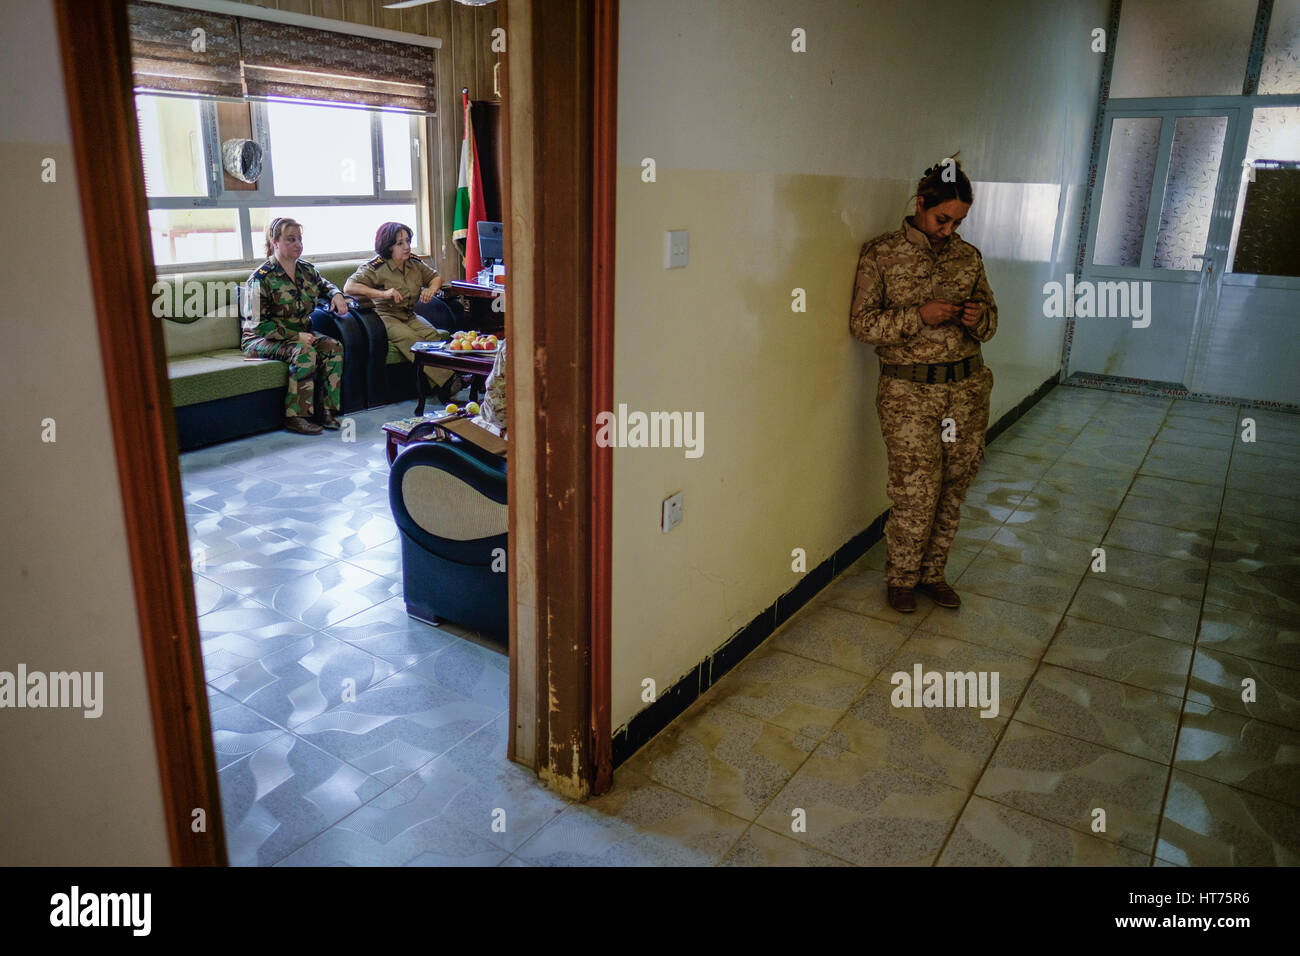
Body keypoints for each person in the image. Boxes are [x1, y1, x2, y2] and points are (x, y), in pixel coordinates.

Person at [849, 156, 997, 613]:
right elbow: (862, 324)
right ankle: (902, 579)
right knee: (915, 490)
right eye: (942, 218)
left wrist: (978, 319)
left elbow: (991, 322)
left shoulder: (968, 258)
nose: (949, 229)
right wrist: (919, 316)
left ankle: (934, 574)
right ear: (920, 204)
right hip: (909, 396)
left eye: (958, 221)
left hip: (966, 391)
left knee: (954, 484)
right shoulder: (881, 254)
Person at [243, 217, 349, 435]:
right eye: (290, 240)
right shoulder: (260, 279)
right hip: (260, 339)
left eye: (299, 239)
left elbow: (325, 285)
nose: (298, 244)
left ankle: (327, 411)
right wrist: (294, 336)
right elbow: (257, 324)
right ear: (275, 242)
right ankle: (297, 417)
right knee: (304, 352)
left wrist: (336, 294)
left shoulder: (306, 271)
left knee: (333, 347)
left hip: (302, 334)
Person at [344, 221, 465, 402]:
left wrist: (431, 289)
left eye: (408, 241)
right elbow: (349, 287)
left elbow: (435, 277)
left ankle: (440, 387)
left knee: (435, 337)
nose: (407, 247)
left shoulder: (414, 263)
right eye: (400, 243)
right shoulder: (375, 267)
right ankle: (449, 382)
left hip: (409, 314)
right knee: (412, 340)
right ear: (388, 246)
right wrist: (382, 293)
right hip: (383, 316)